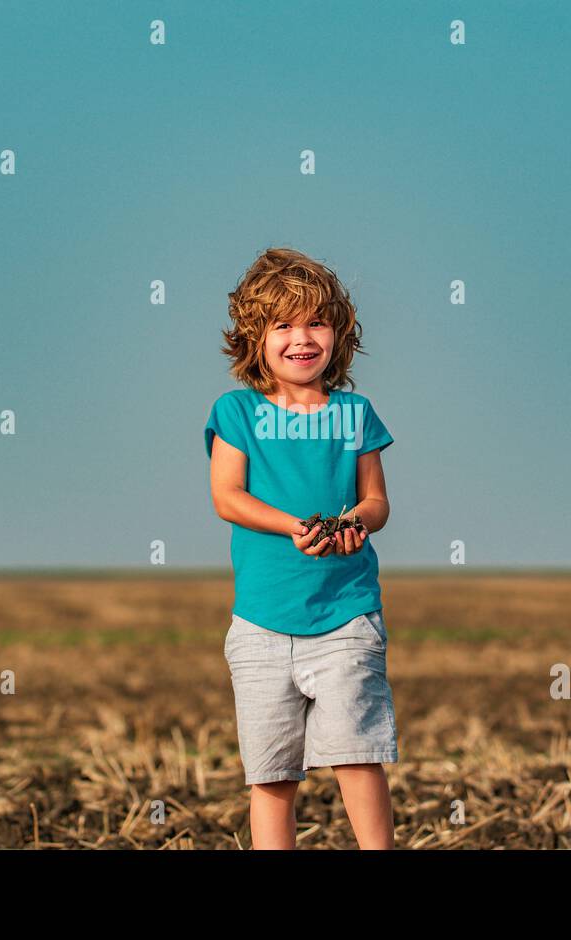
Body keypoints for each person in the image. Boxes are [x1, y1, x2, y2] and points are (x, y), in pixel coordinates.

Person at [204, 246, 398, 849]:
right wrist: (295, 526)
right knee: (272, 775)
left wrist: (353, 526)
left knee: (358, 756)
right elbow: (228, 497)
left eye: (316, 321)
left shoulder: (355, 412)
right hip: (262, 623)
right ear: (253, 338)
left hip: (346, 615)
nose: (301, 338)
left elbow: (376, 502)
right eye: (281, 325)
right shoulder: (236, 412)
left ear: (339, 334)